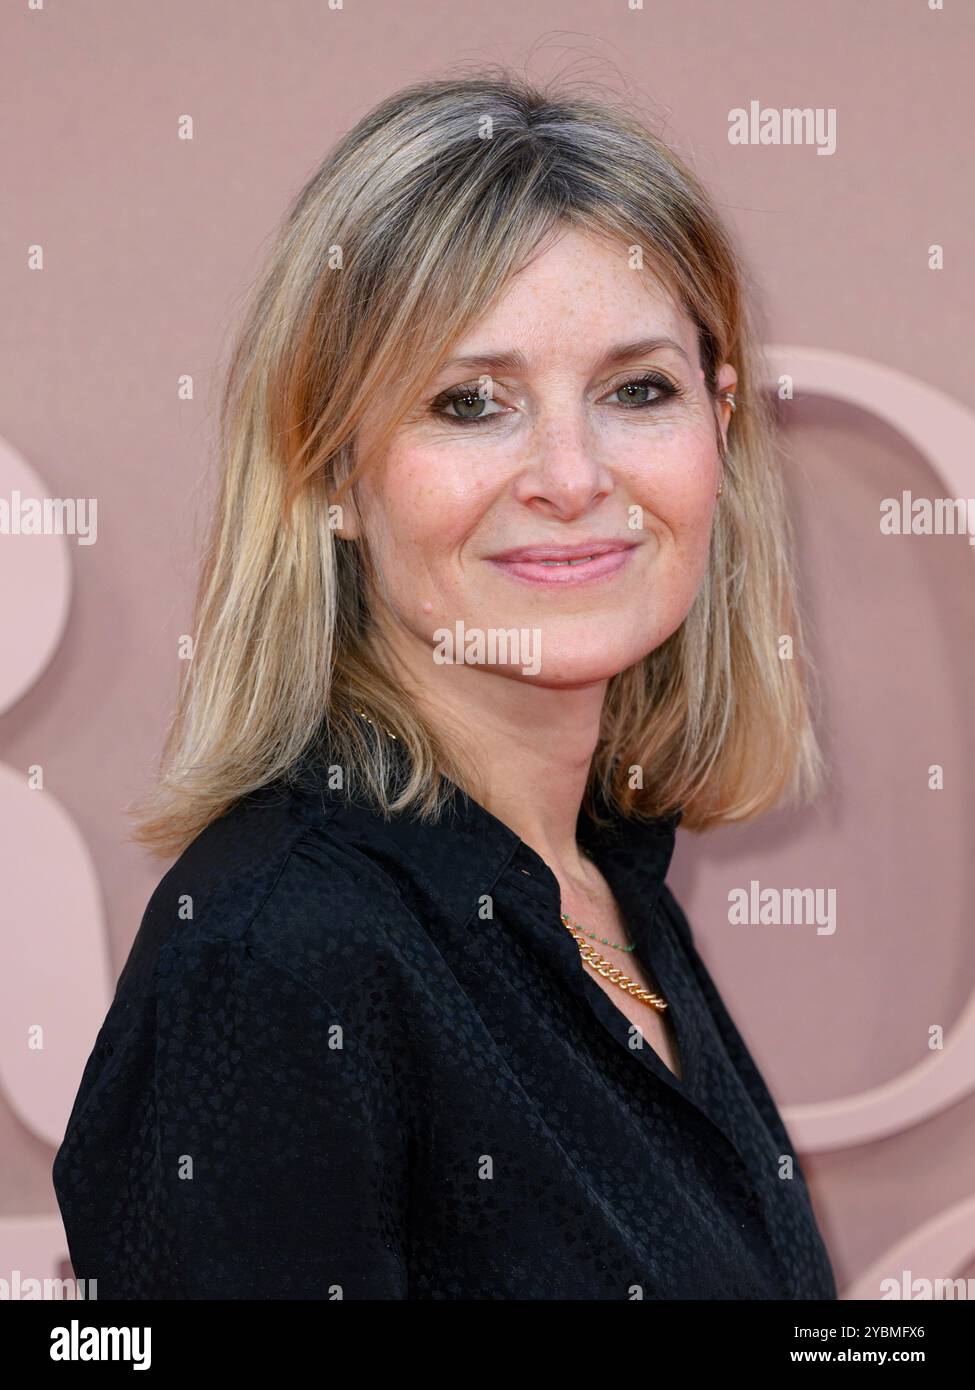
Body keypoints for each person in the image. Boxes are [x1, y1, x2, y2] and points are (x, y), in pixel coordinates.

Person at [52, 71, 837, 1300]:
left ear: (720, 426)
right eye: (471, 403)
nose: (573, 476)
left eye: (639, 390)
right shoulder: (280, 955)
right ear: (328, 474)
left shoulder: (601, 880)